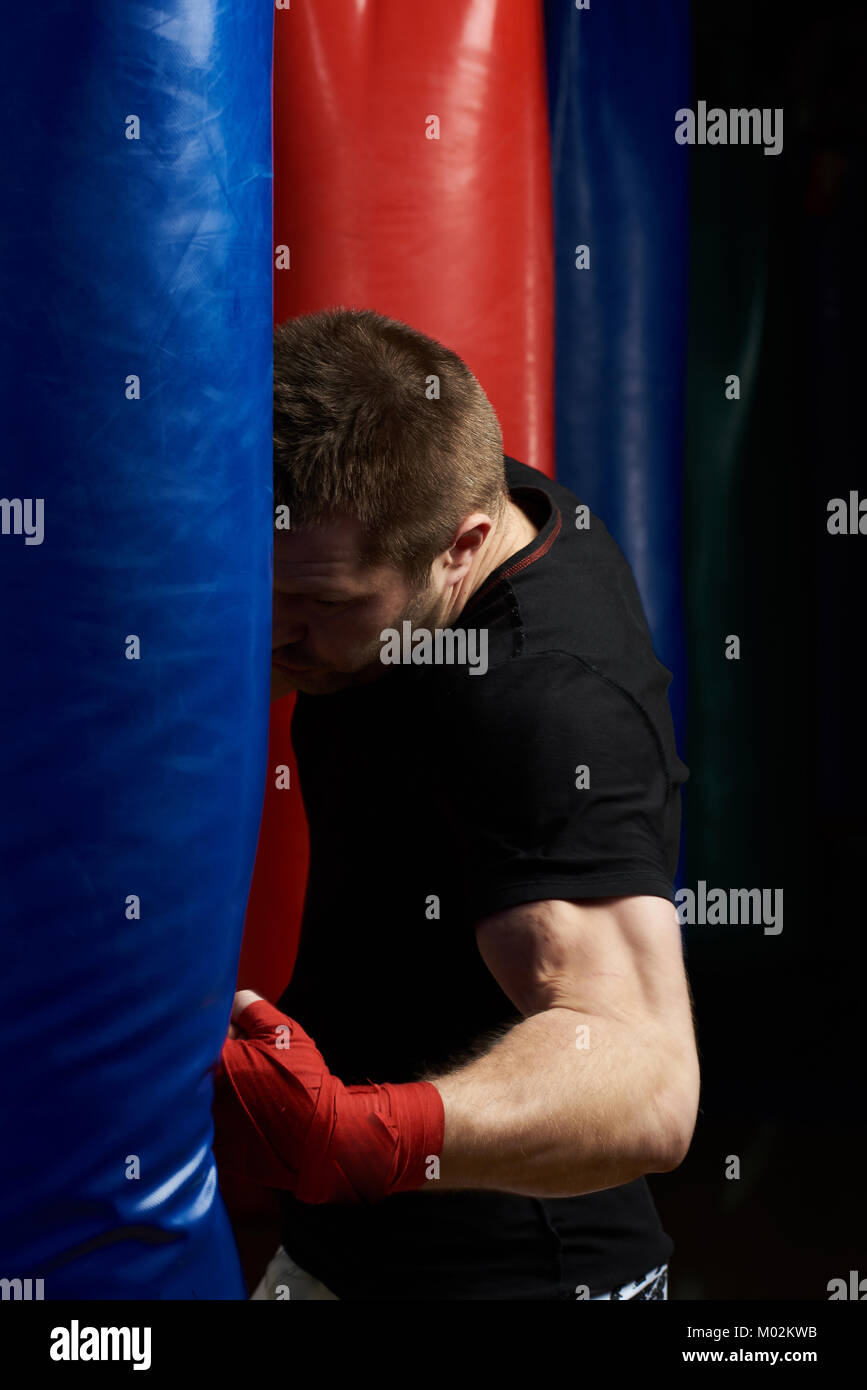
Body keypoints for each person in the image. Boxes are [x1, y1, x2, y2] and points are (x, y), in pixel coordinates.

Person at [212, 306, 700, 1301]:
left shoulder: (546, 708)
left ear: (460, 545)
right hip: (351, 1247)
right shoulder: (433, 492)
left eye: (324, 606)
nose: (272, 636)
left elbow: (652, 1084)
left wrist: (361, 1135)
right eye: (261, 593)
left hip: (514, 1278)